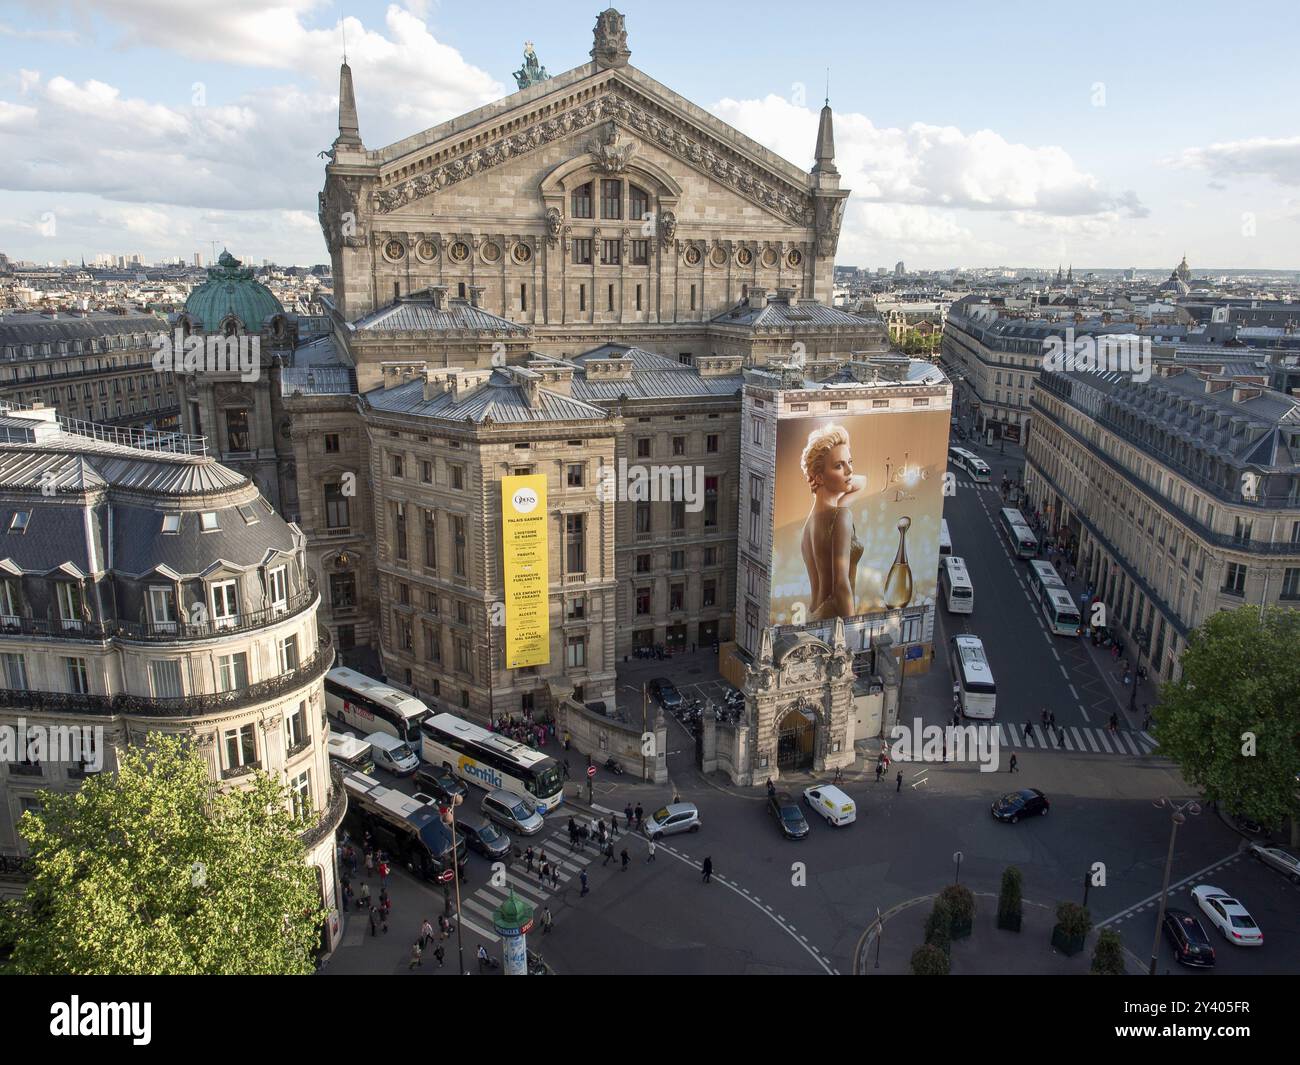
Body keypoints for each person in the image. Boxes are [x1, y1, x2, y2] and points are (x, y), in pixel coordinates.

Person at [799, 424, 869, 620]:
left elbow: (862, 481)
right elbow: (840, 584)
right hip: (835, 618)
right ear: (819, 477)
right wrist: (850, 631)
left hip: (813, 615)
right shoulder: (841, 517)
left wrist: (838, 495)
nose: (850, 470)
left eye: (850, 462)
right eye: (839, 465)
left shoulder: (808, 525)